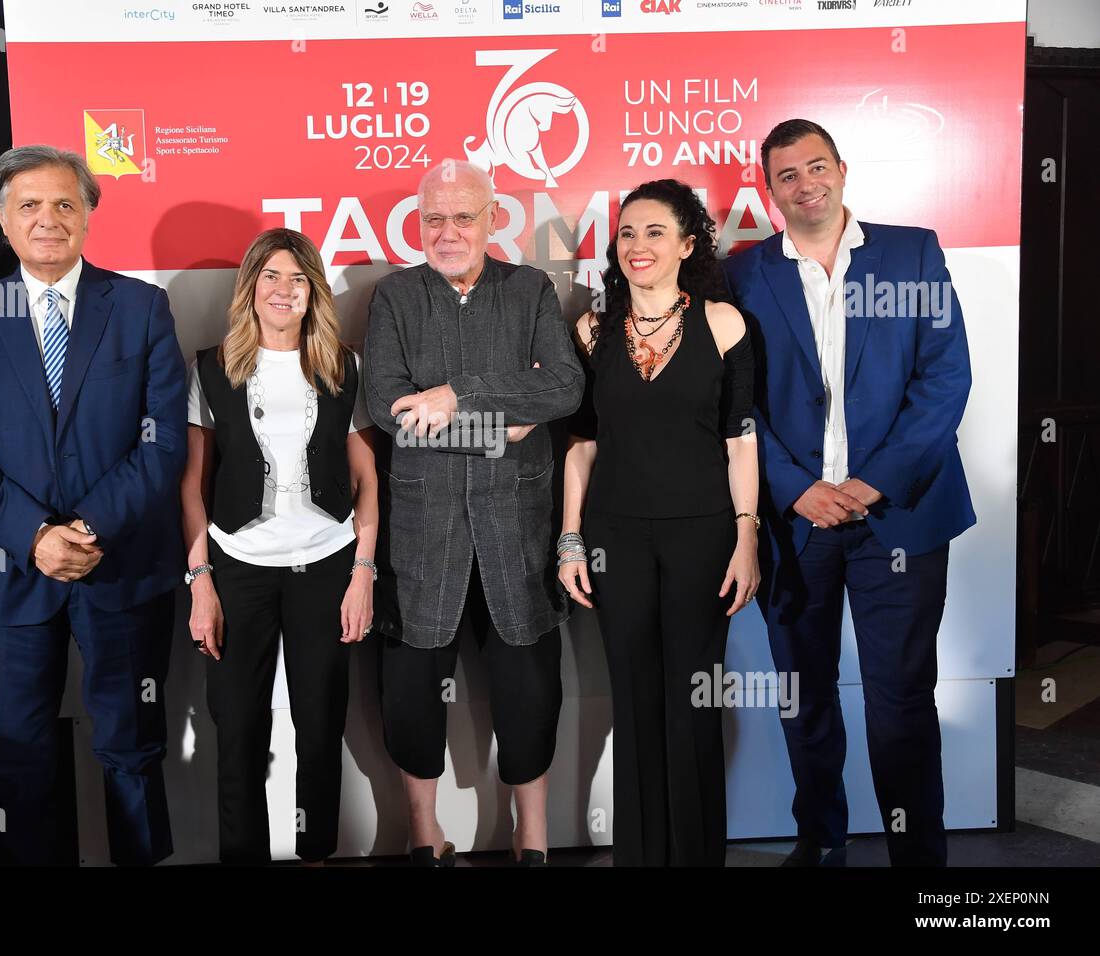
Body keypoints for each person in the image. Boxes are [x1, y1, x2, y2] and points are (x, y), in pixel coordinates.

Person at [723, 119, 975, 867]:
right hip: (795, 523)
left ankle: (918, 859)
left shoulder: (911, 252)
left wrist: (872, 481)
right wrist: (796, 489)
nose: (806, 185)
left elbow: (944, 378)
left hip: (899, 516)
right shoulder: (743, 274)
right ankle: (821, 841)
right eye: (787, 177)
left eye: (815, 167)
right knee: (805, 698)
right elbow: (734, 403)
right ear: (771, 192)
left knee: (900, 701)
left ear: (841, 168)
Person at [0, 145, 186, 866]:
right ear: (2, 220)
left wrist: (87, 527)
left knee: (132, 746)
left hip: (124, 567)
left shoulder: (140, 308)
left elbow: (163, 443)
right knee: (22, 756)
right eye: (31, 206)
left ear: (89, 215)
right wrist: (36, 534)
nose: (49, 220)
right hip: (16, 569)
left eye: (65, 204)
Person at [363, 160, 585, 866]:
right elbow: (389, 409)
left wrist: (456, 395)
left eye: (464, 217)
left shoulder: (529, 291)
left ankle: (533, 837)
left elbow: (564, 388)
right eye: (434, 218)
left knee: (529, 690)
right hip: (421, 538)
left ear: (493, 220)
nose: (448, 231)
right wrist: (499, 424)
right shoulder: (395, 296)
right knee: (410, 695)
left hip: (515, 532)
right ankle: (424, 832)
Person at [559, 179, 758, 867]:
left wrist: (746, 536)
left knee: (693, 700)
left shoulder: (724, 323)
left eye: (654, 232)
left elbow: (741, 441)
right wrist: (570, 539)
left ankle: (697, 856)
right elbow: (580, 445)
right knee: (635, 703)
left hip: (703, 535)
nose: (637, 246)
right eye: (627, 233)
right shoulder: (590, 331)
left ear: (688, 243)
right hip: (615, 539)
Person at [183, 228, 378, 865]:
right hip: (237, 569)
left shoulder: (344, 367)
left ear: (313, 291)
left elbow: (369, 480)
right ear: (251, 288)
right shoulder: (211, 369)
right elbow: (193, 487)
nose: (284, 289)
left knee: (321, 726)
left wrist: (363, 572)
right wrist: (201, 582)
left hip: (326, 566)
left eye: (298, 278)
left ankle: (317, 851)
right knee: (237, 729)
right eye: (271, 276)